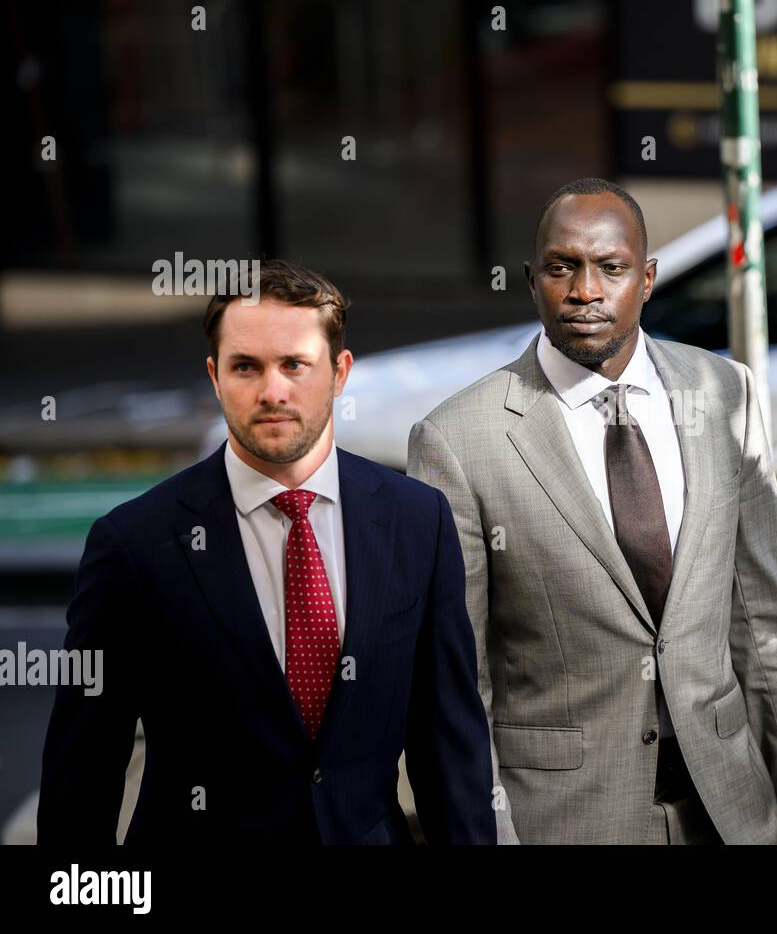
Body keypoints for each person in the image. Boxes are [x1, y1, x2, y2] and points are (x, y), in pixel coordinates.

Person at [408, 178, 777, 844]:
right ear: (530, 279)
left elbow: (767, 623)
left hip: (728, 812)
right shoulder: (457, 440)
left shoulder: (723, 394)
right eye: (561, 268)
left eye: (611, 267)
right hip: (565, 820)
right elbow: (461, 686)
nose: (585, 291)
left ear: (649, 278)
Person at [39, 260, 495, 844]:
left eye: (294, 365)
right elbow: (83, 768)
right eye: (246, 367)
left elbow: (449, 744)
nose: (272, 391)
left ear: (339, 372)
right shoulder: (133, 544)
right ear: (214, 376)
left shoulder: (418, 521)